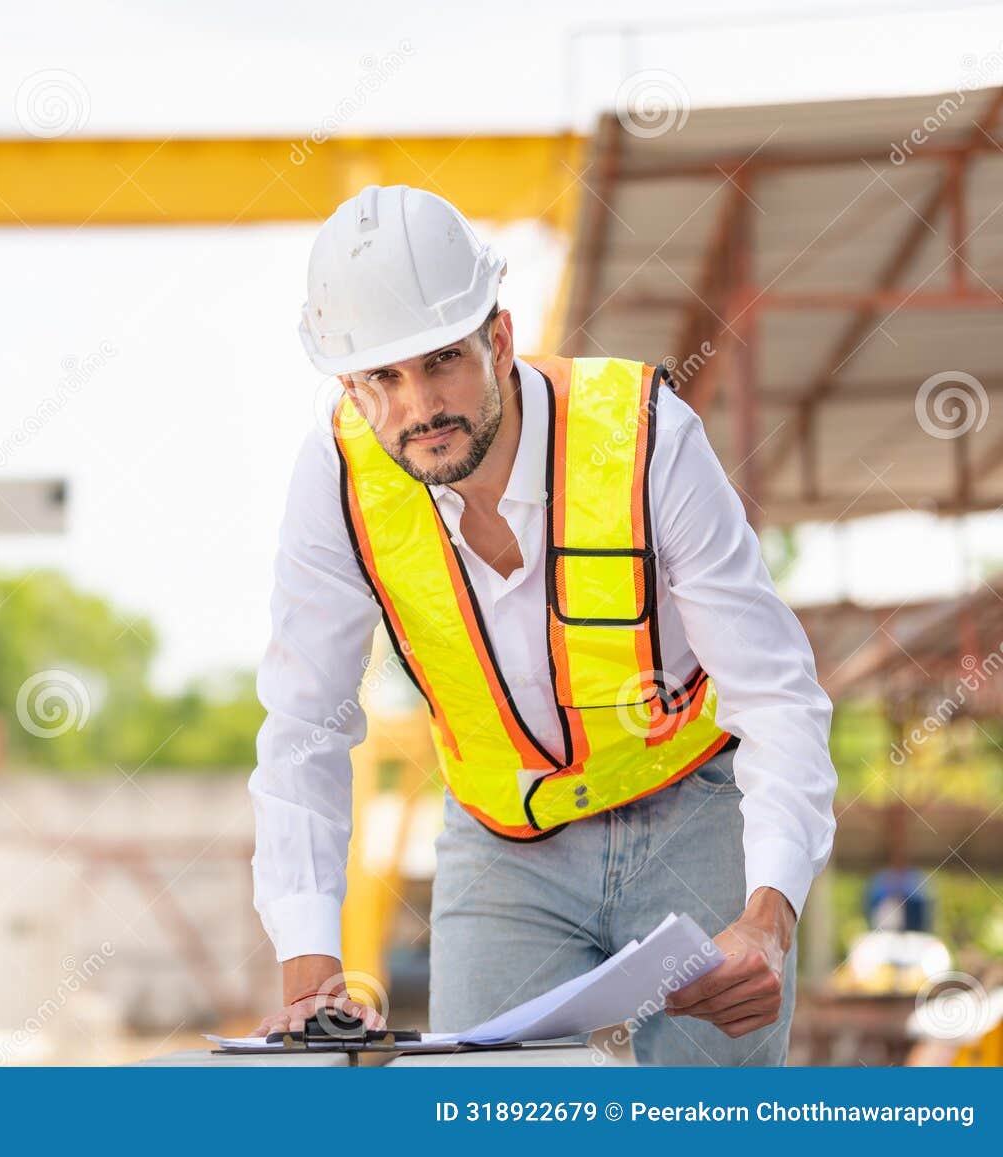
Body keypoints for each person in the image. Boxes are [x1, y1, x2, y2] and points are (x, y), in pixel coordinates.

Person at [247, 184, 837, 1065]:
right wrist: (311, 977)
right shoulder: (338, 483)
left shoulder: (644, 440)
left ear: (499, 338)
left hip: (694, 813)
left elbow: (776, 690)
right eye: (384, 377)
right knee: (489, 1120)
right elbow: (303, 726)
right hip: (502, 844)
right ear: (350, 385)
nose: (419, 407)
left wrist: (768, 918)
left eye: (442, 359)